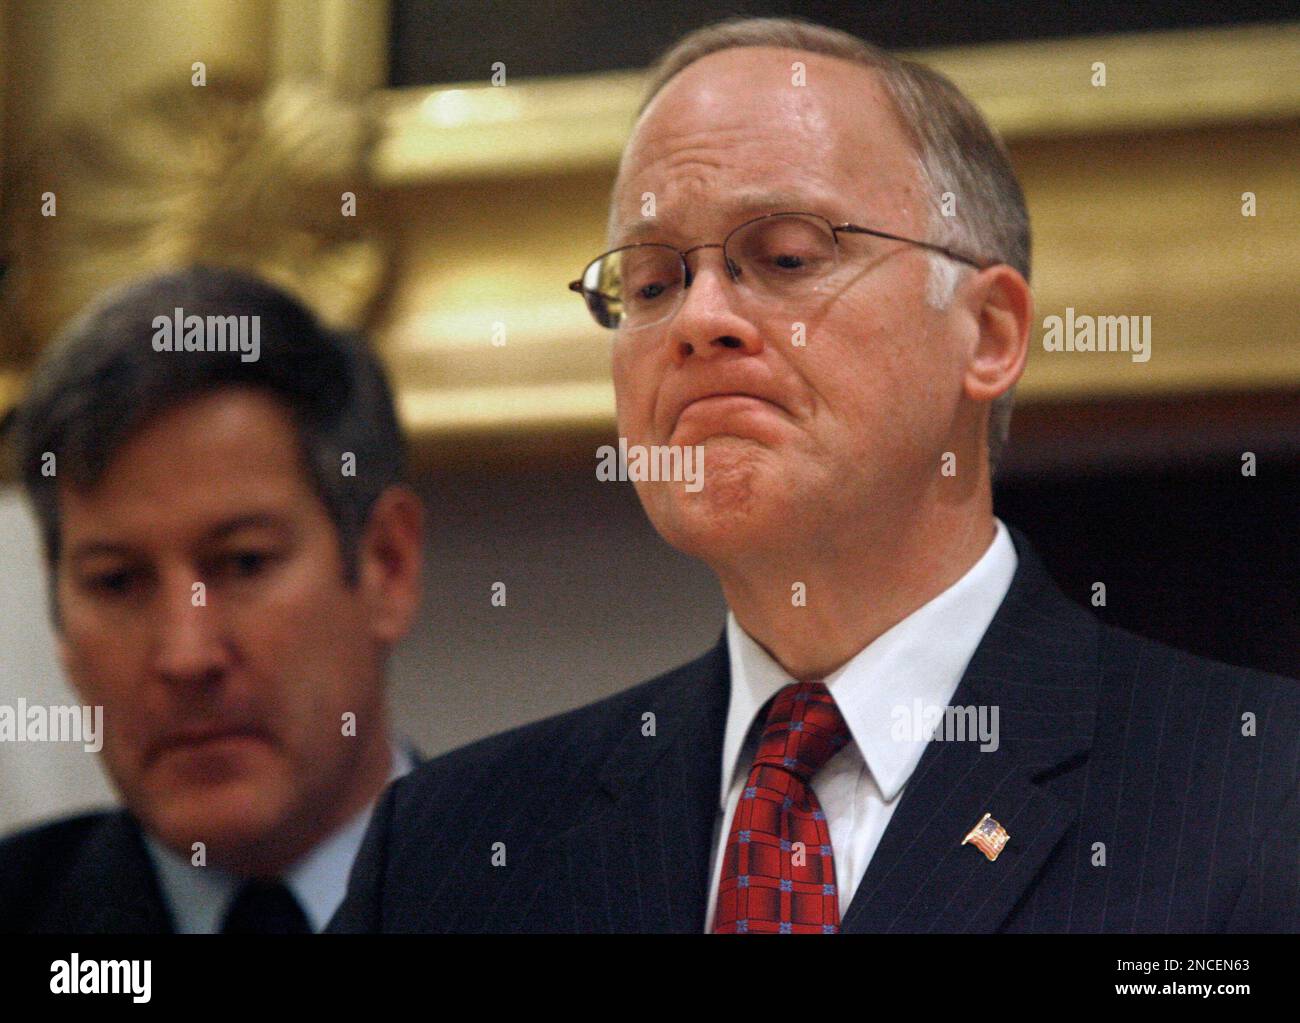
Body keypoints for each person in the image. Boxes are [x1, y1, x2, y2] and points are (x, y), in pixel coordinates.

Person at [328, 18, 1299, 933]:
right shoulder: (446, 849)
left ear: (988, 334)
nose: (702, 318)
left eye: (786, 256)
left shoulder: (1257, 791)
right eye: (653, 282)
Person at [0, 266, 425, 933]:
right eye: (116, 581)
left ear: (386, 566)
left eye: (243, 562)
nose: (186, 654)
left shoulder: (572, 898)